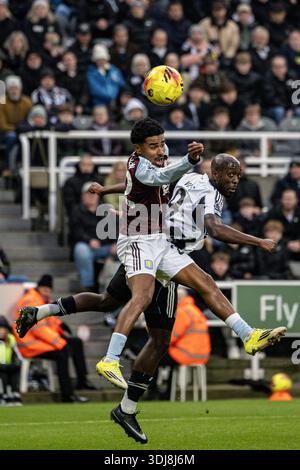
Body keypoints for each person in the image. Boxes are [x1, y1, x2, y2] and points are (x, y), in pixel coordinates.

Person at [16, 120, 287, 443]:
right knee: (159, 337)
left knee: (108, 300)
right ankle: (124, 398)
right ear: (215, 174)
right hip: (159, 252)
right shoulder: (203, 189)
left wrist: (106, 190)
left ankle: (41, 312)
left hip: (156, 244)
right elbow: (213, 228)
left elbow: (148, 184)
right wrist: (259, 241)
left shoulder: (189, 177)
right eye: (230, 175)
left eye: (238, 177)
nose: (235, 182)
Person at [13, 274, 91, 401]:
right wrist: (59, 342)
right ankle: (67, 394)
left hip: (40, 341)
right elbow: (39, 329)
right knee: (62, 353)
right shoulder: (30, 300)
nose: (47, 292)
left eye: (49, 290)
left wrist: (61, 325)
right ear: (39, 288)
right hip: (30, 344)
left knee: (76, 343)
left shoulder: (42, 299)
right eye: (45, 289)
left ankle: (82, 381)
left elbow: (51, 322)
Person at [0, 315, 22, 406]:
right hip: (0, 367)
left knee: (15, 371)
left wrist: (17, 362)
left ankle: (15, 394)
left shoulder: (10, 339)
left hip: (8, 365)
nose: (2, 331)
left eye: (3, 329)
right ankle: (3, 395)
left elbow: (17, 354)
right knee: (2, 375)